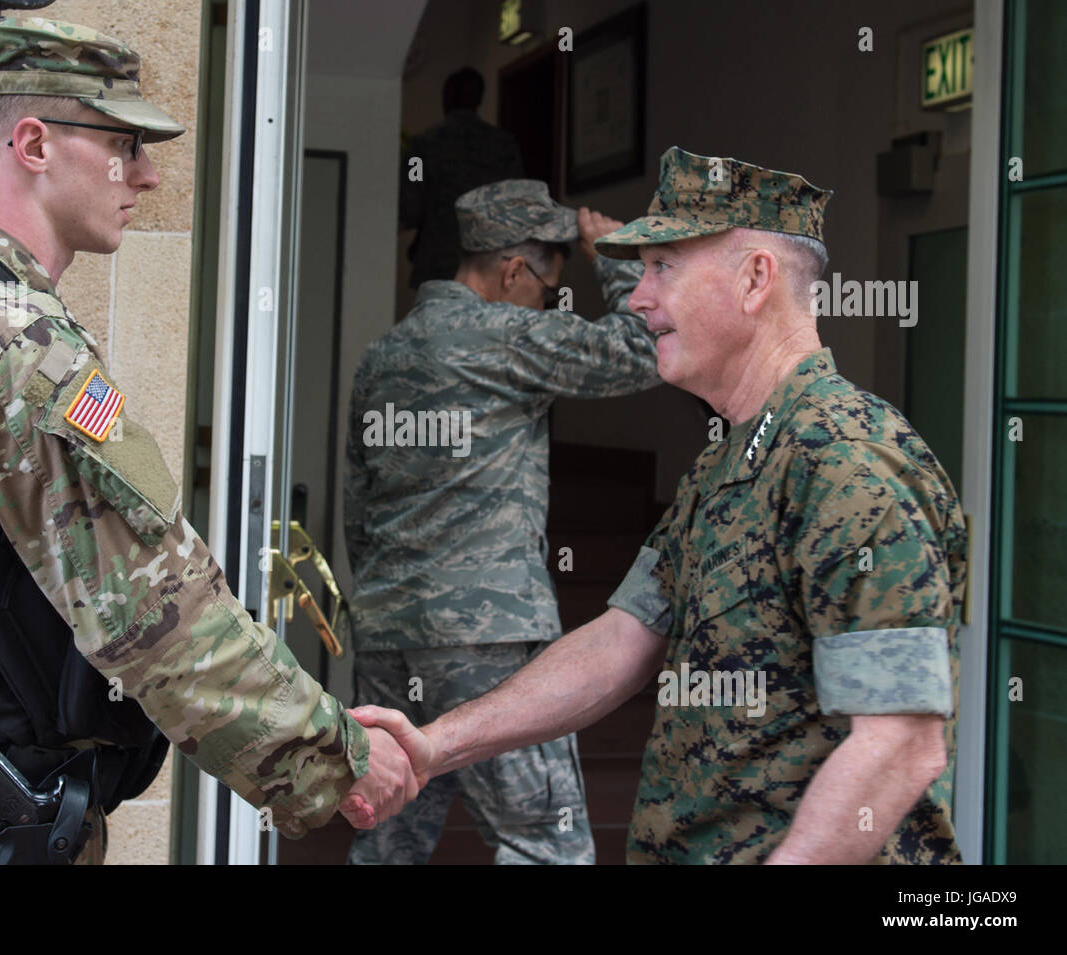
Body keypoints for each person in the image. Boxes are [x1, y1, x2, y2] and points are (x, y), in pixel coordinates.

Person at [0, 15, 414, 865]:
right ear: (33, 143)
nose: (145, 173)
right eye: (120, 141)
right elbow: (154, 608)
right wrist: (330, 758)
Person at [346, 147, 969, 864]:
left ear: (755, 279)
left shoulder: (849, 461)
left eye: (661, 266)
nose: (638, 297)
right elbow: (619, 643)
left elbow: (902, 744)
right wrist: (434, 743)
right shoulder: (727, 460)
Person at [343, 179, 660, 863]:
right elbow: (643, 349)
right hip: (487, 641)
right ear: (514, 268)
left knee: (390, 838)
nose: (549, 297)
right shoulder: (510, 337)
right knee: (547, 842)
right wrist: (616, 255)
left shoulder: (382, 355)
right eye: (550, 279)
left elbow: (358, 506)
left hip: (385, 634)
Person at [400, 68, 525, 287]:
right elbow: (516, 205)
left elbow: (410, 209)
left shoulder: (422, 146)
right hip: (489, 262)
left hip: (437, 262)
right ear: (478, 100)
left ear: (446, 97)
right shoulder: (503, 146)